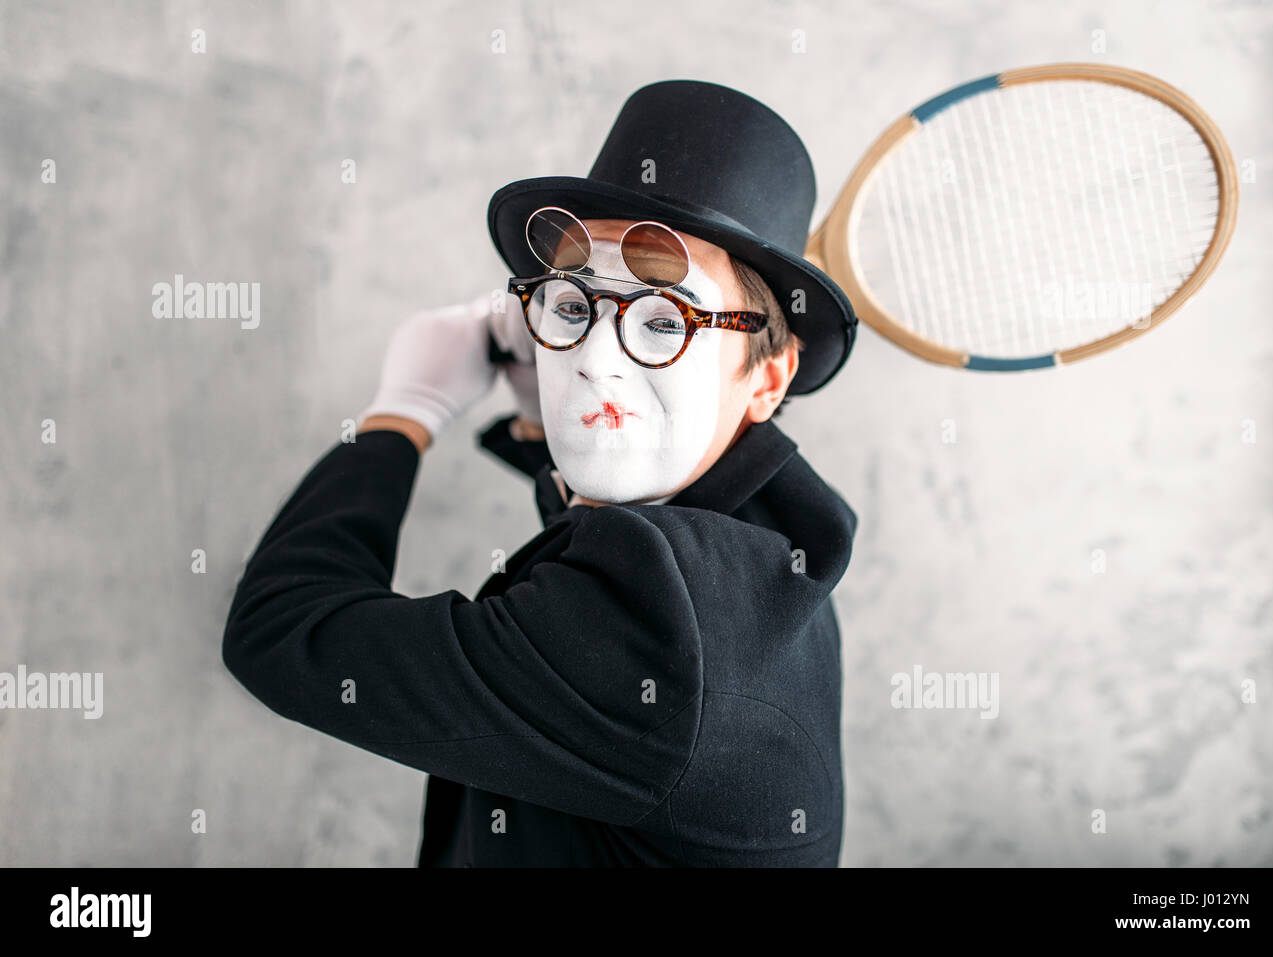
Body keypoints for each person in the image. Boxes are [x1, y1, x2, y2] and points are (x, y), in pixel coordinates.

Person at [222, 79, 860, 866]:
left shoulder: (655, 632)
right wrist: (539, 428)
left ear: (766, 379)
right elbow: (629, 528)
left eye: (665, 320)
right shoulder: (771, 548)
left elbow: (281, 631)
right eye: (570, 306)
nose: (594, 363)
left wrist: (403, 411)